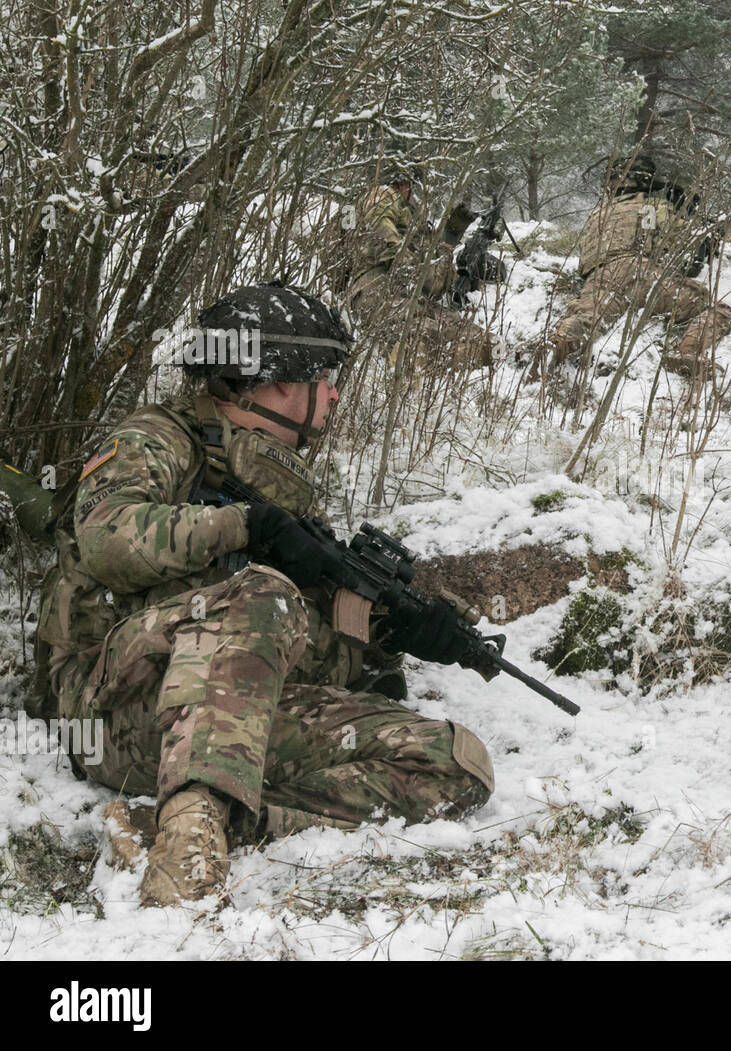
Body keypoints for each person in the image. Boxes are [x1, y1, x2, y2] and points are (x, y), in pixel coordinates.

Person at [37, 284, 494, 907]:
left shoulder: (272, 477)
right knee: (263, 593)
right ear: (273, 379)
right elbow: (107, 539)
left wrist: (383, 635)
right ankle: (185, 863)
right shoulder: (160, 439)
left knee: (452, 764)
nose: (334, 394)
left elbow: (269, 654)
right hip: (114, 711)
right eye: (325, 376)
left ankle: (205, 826)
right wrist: (246, 529)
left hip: (219, 723)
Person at [540, 153, 731, 378]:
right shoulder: (651, 206)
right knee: (717, 309)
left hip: (600, 278)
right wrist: (687, 213)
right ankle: (687, 352)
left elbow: (584, 261)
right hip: (642, 273)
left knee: (587, 320)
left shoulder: (598, 214)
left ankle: (556, 343)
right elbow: (687, 249)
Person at [347, 162, 498, 369]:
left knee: (462, 328)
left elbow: (433, 285)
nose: (413, 193)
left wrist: (447, 241)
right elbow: (379, 226)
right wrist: (405, 260)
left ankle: (492, 353)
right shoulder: (383, 195)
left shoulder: (414, 226)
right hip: (377, 286)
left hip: (408, 294)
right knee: (421, 333)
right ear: (403, 185)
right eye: (411, 187)